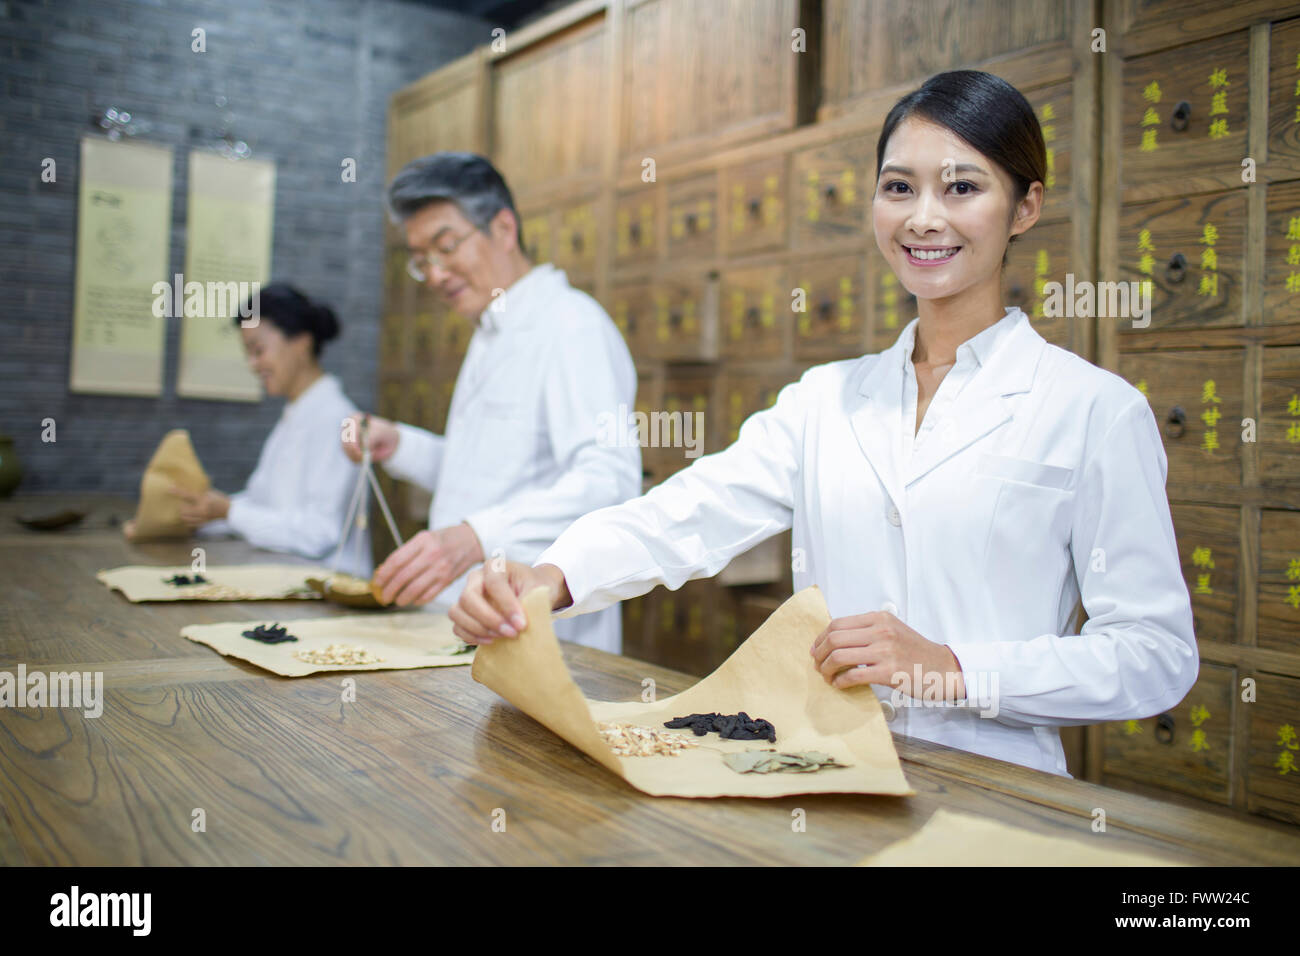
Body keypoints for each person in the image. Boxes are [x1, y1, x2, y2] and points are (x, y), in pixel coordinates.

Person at [447, 70, 1199, 777]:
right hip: (823, 768)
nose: (923, 217)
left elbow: (1153, 654)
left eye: (962, 186)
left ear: (1025, 207)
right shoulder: (825, 399)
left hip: (996, 784)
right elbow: (687, 513)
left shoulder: (1094, 410)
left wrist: (954, 667)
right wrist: (550, 578)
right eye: (898, 187)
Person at [344, 152, 640, 653]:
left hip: (542, 636)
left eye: (446, 247)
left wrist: (475, 537)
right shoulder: (490, 330)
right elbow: (488, 475)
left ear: (503, 228)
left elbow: (608, 481)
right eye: (421, 261)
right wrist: (400, 446)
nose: (435, 274)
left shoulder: (571, 326)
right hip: (468, 627)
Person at [171, 283, 370, 576]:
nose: (252, 364)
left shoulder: (336, 420)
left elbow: (319, 534)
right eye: (247, 353)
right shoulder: (296, 414)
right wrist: (203, 514)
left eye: (258, 350)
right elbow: (259, 503)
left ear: (301, 342)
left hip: (329, 589)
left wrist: (228, 511)